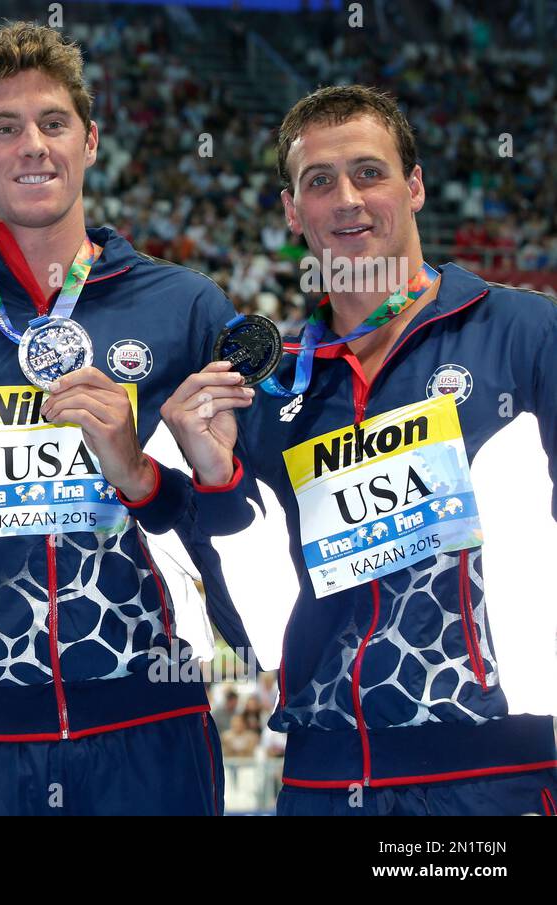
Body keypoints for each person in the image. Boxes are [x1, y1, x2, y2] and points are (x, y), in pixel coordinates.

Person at [0, 22, 251, 816]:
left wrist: (145, 475)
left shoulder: (184, 311)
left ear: (90, 141)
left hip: (154, 728)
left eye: (53, 123)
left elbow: (236, 528)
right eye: (5, 127)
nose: (33, 145)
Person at [162, 85, 557, 815]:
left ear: (414, 186)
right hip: (322, 776)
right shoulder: (271, 389)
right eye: (319, 182)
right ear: (291, 210)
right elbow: (252, 626)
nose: (346, 199)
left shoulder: (524, 336)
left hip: (495, 775)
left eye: (369, 173)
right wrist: (217, 479)